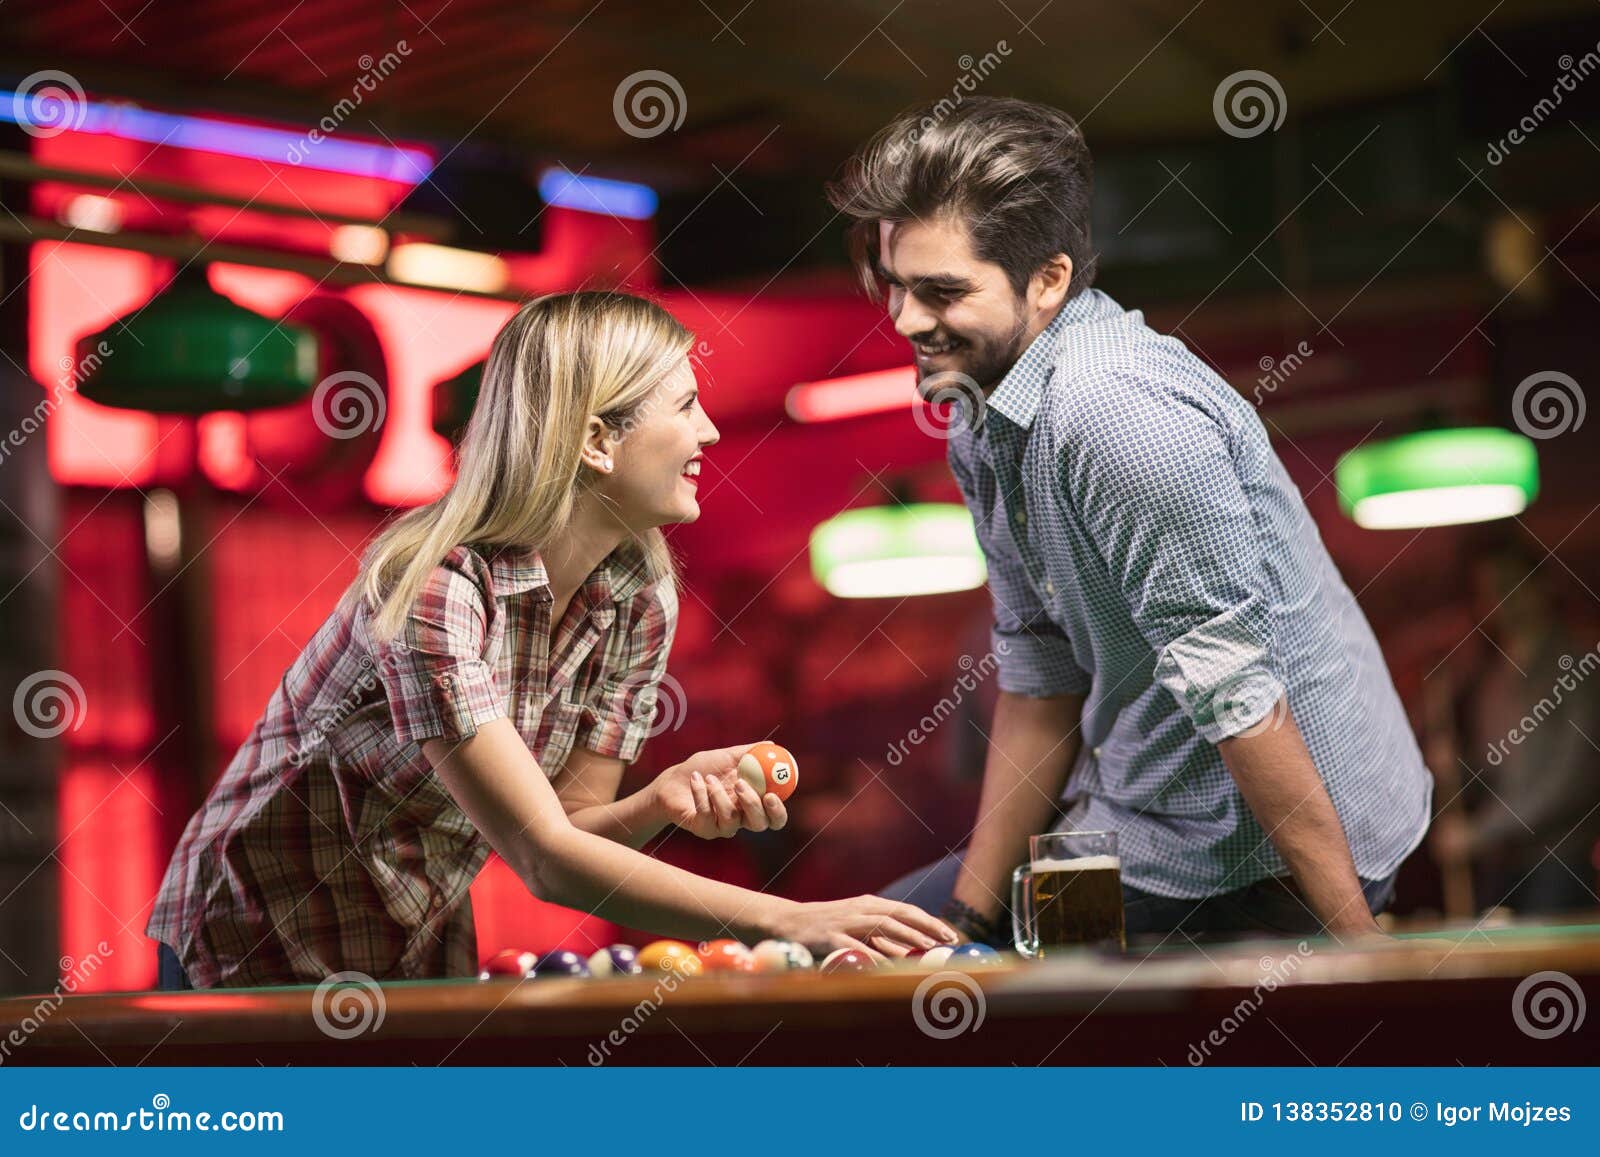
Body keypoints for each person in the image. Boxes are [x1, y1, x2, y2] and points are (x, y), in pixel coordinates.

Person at [146, 291, 955, 989]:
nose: (709, 431)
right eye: (683, 406)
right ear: (597, 441)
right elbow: (542, 856)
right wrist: (787, 920)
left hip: (411, 934)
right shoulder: (433, 588)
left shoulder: (639, 599)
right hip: (251, 935)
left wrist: (657, 799)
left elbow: (569, 829)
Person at [827, 97, 1431, 944]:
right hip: (1138, 830)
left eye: (942, 291)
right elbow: (1040, 668)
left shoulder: (1115, 417)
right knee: (879, 947)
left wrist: (1358, 951)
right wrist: (968, 920)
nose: (906, 320)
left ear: (1049, 280)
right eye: (897, 287)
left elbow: (1239, 698)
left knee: (1029, 1029)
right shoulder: (979, 410)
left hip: (1272, 856)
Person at [1432, 541, 1600, 915]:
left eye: (1510, 584)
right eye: (1489, 589)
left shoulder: (1581, 668)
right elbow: (1493, 772)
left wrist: (1477, 834)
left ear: (1542, 586)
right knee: (1492, 966)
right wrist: (1454, 769)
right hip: (1504, 864)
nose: (1499, 598)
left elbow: (1570, 783)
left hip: (1562, 861)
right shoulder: (1489, 681)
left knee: (1546, 971)